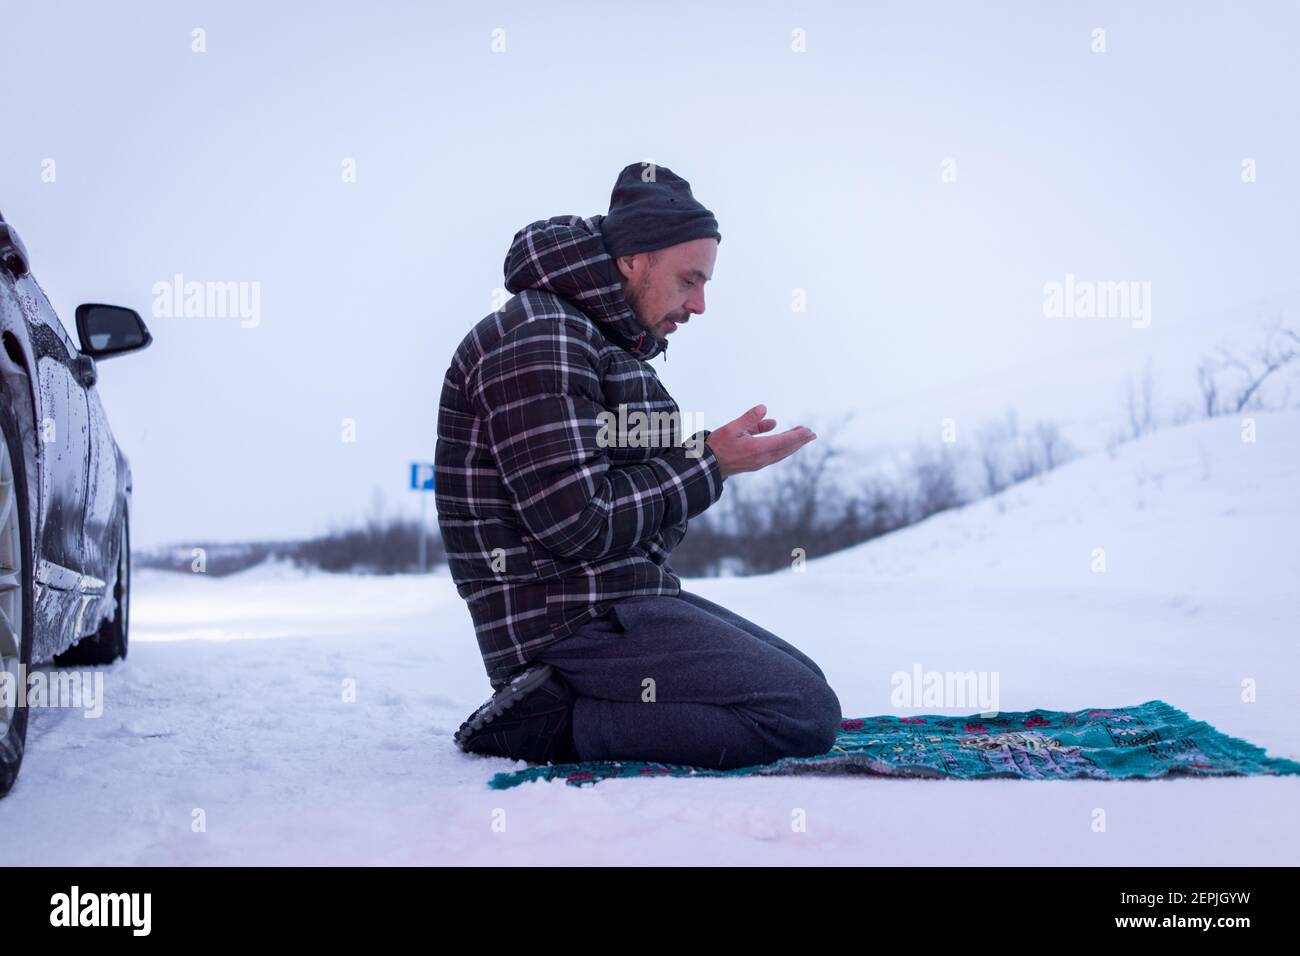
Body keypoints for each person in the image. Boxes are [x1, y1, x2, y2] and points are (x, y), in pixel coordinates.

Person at [437, 161, 842, 769]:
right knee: (799, 711)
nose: (700, 304)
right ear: (633, 260)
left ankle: (573, 701)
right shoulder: (541, 337)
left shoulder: (601, 347)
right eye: (689, 280)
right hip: (568, 618)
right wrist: (708, 463)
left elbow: (643, 508)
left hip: (616, 600)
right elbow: (575, 521)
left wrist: (712, 461)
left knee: (800, 680)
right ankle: (549, 723)